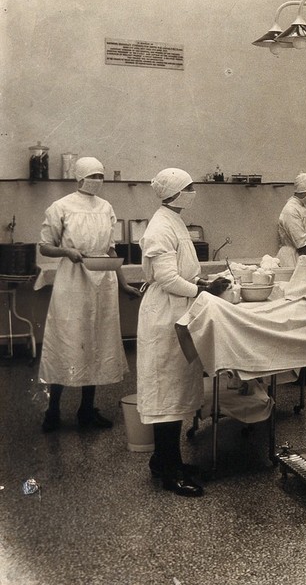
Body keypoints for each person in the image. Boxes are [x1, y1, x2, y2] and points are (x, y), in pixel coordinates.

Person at [136, 168, 229, 498]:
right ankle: (169, 472)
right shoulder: (160, 227)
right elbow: (167, 279)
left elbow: (182, 271)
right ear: (174, 193)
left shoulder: (174, 220)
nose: (193, 192)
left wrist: (203, 281)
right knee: (167, 393)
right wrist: (202, 290)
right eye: (188, 187)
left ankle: (165, 460)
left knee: (175, 390)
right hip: (165, 314)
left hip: (178, 311)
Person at [38, 157, 141, 433]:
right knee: (67, 340)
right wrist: (66, 251)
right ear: (80, 178)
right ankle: (52, 410)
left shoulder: (106, 207)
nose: (97, 180)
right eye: (92, 176)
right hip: (73, 281)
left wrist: (123, 283)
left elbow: (110, 249)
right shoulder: (61, 207)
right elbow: (45, 246)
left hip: (102, 280)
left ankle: (86, 410)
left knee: (96, 342)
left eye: (100, 176)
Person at [277, 172, 306, 267]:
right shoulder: (290, 210)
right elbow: (301, 245)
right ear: (303, 192)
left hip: (303, 255)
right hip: (291, 257)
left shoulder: (301, 208)